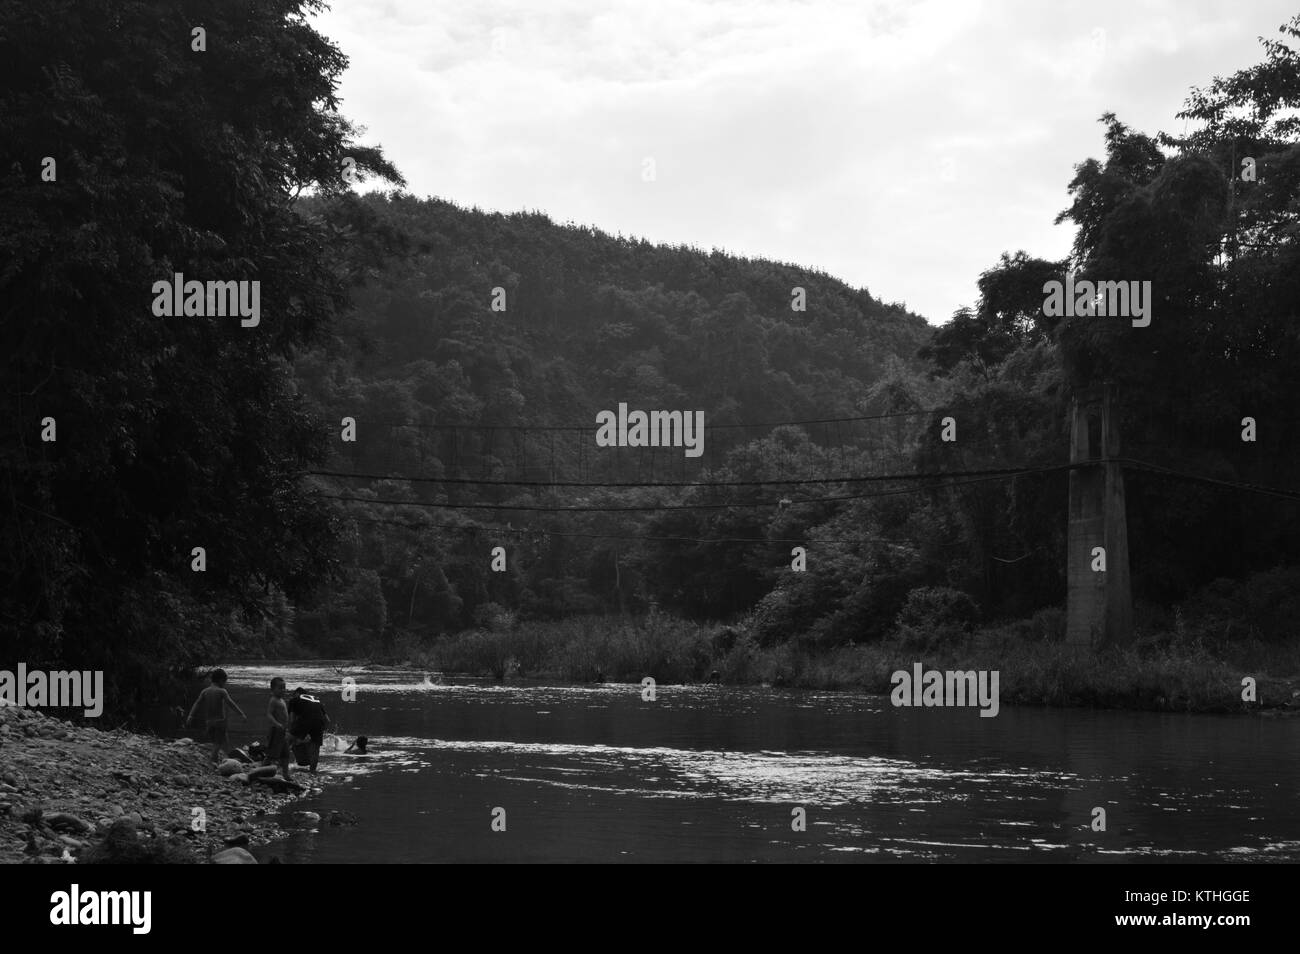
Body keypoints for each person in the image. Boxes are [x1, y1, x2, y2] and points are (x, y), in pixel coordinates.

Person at [186, 669, 246, 766]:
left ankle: (222, 758)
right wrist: (241, 714)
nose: (225, 684)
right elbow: (231, 704)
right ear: (221, 680)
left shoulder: (205, 691)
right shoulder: (222, 691)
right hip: (220, 722)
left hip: (209, 722)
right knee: (218, 743)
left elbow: (197, 703)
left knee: (220, 740)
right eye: (225, 682)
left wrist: (190, 715)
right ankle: (212, 760)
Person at [287, 687, 331, 774]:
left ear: (297, 694)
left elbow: (292, 720)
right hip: (319, 722)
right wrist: (320, 732)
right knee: (315, 749)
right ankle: (312, 772)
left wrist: (293, 734)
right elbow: (328, 720)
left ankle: (280, 765)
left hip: (306, 720)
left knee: (287, 740)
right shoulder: (316, 700)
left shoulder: (294, 700)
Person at [264, 677, 292, 780]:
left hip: (283, 731)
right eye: (280, 688)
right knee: (272, 754)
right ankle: (261, 770)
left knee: (285, 754)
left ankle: (285, 774)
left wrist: (287, 728)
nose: (283, 690)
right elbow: (269, 714)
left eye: (284, 688)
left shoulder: (282, 700)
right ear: (272, 689)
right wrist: (276, 724)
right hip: (276, 731)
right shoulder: (273, 700)